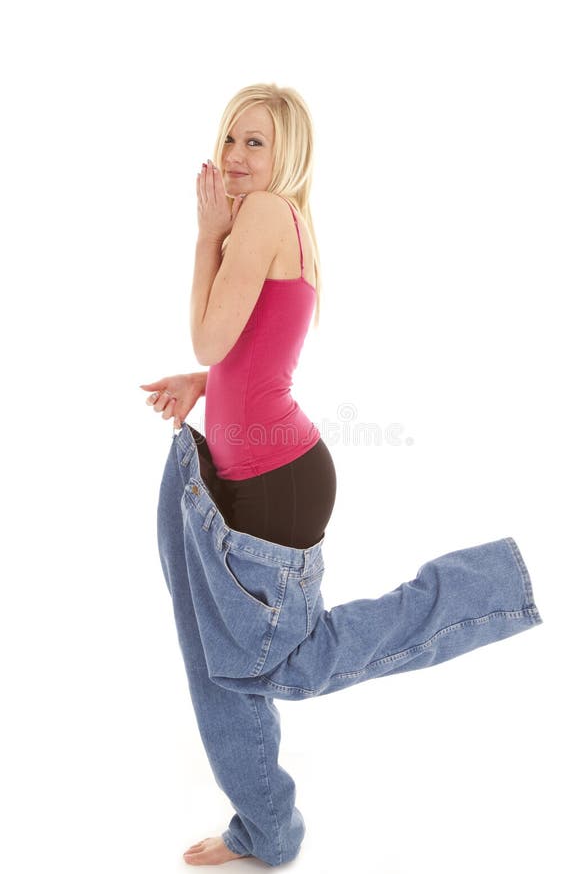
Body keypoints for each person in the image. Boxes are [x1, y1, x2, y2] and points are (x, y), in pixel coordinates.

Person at [140, 83, 544, 868]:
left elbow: (210, 336)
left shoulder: (261, 214)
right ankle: (265, 830)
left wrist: (205, 236)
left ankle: (491, 588)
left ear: (287, 155)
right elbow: (248, 355)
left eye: (255, 143)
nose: (235, 157)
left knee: (279, 664)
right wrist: (205, 386)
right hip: (258, 470)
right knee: (228, 663)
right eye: (230, 138)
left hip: (274, 480)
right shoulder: (280, 219)